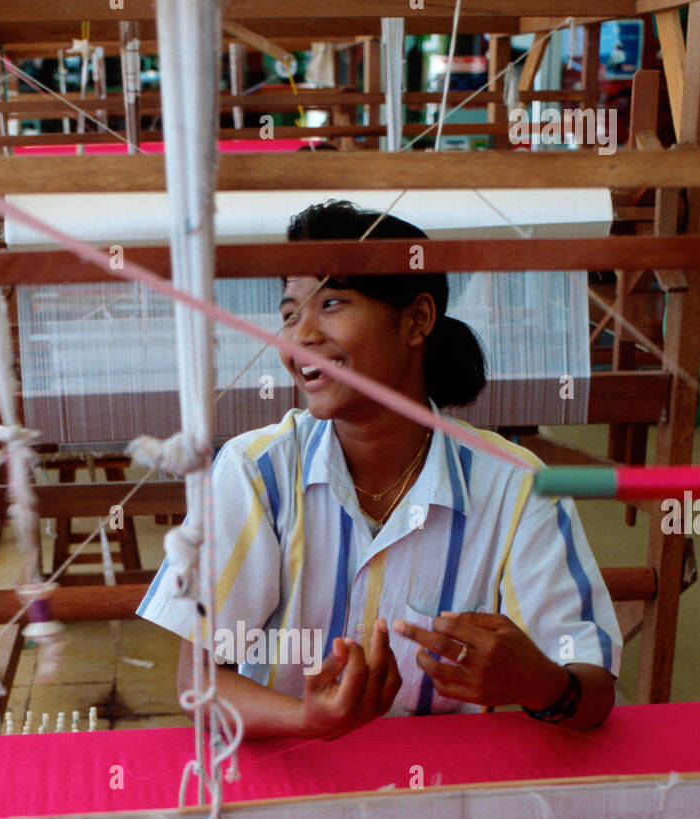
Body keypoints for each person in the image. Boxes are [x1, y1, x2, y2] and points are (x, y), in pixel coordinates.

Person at [138, 199, 620, 738]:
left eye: (333, 302)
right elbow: (198, 684)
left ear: (417, 319)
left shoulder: (515, 486)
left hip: (441, 796)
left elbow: (594, 694)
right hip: (293, 779)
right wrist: (309, 720)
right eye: (290, 313)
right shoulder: (258, 473)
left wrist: (544, 685)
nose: (301, 338)